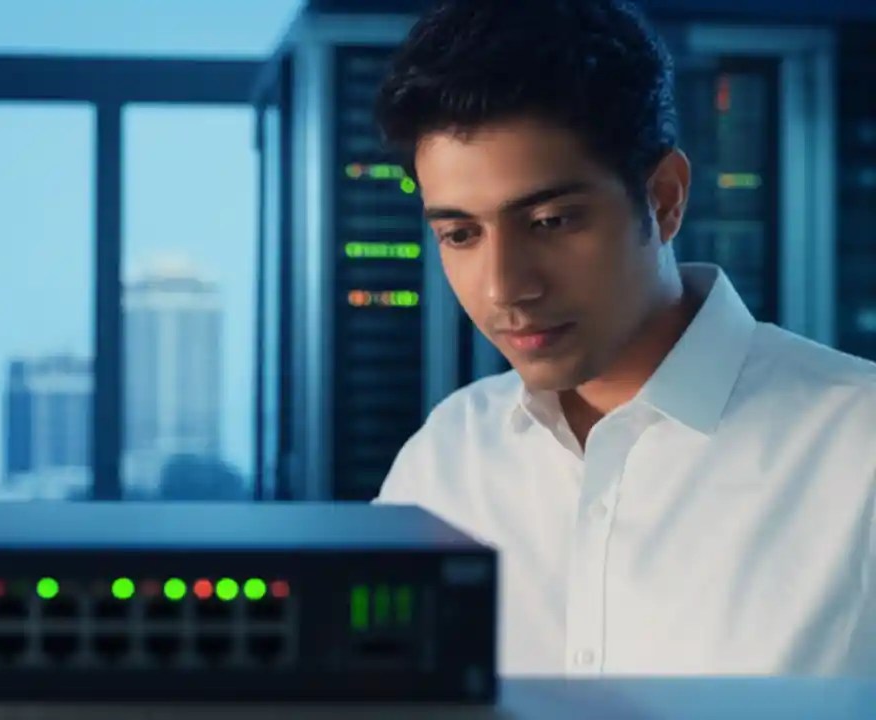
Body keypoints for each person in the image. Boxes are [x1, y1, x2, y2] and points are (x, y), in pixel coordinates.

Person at [372, 0, 876, 677]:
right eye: (461, 234)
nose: (503, 288)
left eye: (550, 221)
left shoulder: (858, 449)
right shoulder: (446, 462)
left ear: (665, 199)